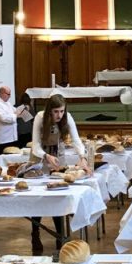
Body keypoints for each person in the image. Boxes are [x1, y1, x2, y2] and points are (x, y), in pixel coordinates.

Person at [29, 93, 90, 254]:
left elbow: (76, 140)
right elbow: (35, 145)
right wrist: (46, 156)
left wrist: (82, 157)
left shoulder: (67, 117)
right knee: (37, 199)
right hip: (40, 157)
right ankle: (35, 233)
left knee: (57, 195)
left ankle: (60, 235)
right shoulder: (40, 117)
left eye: (61, 111)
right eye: (55, 111)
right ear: (49, 110)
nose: (59, 115)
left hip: (57, 156)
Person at [0, 85, 19, 157]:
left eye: (10, 94)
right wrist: (16, 115)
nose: (9, 96)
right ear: (1, 93)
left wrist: (22, 109)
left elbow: (15, 111)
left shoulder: (8, 103)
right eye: (8, 94)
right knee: (0, 159)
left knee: (11, 159)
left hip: (11, 137)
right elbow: (3, 118)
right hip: (2, 139)